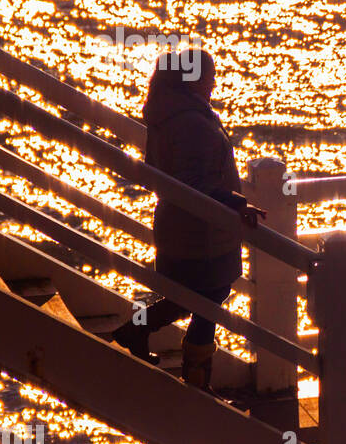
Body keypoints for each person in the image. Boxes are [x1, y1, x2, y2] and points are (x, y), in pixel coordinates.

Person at [108, 47, 265, 390]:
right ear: (192, 78)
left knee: (197, 297)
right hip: (200, 230)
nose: (213, 83)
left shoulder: (170, 113)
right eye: (209, 76)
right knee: (207, 298)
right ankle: (192, 376)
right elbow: (194, 185)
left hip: (179, 224)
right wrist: (236, 204)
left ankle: (141, 333)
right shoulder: (191, 121)